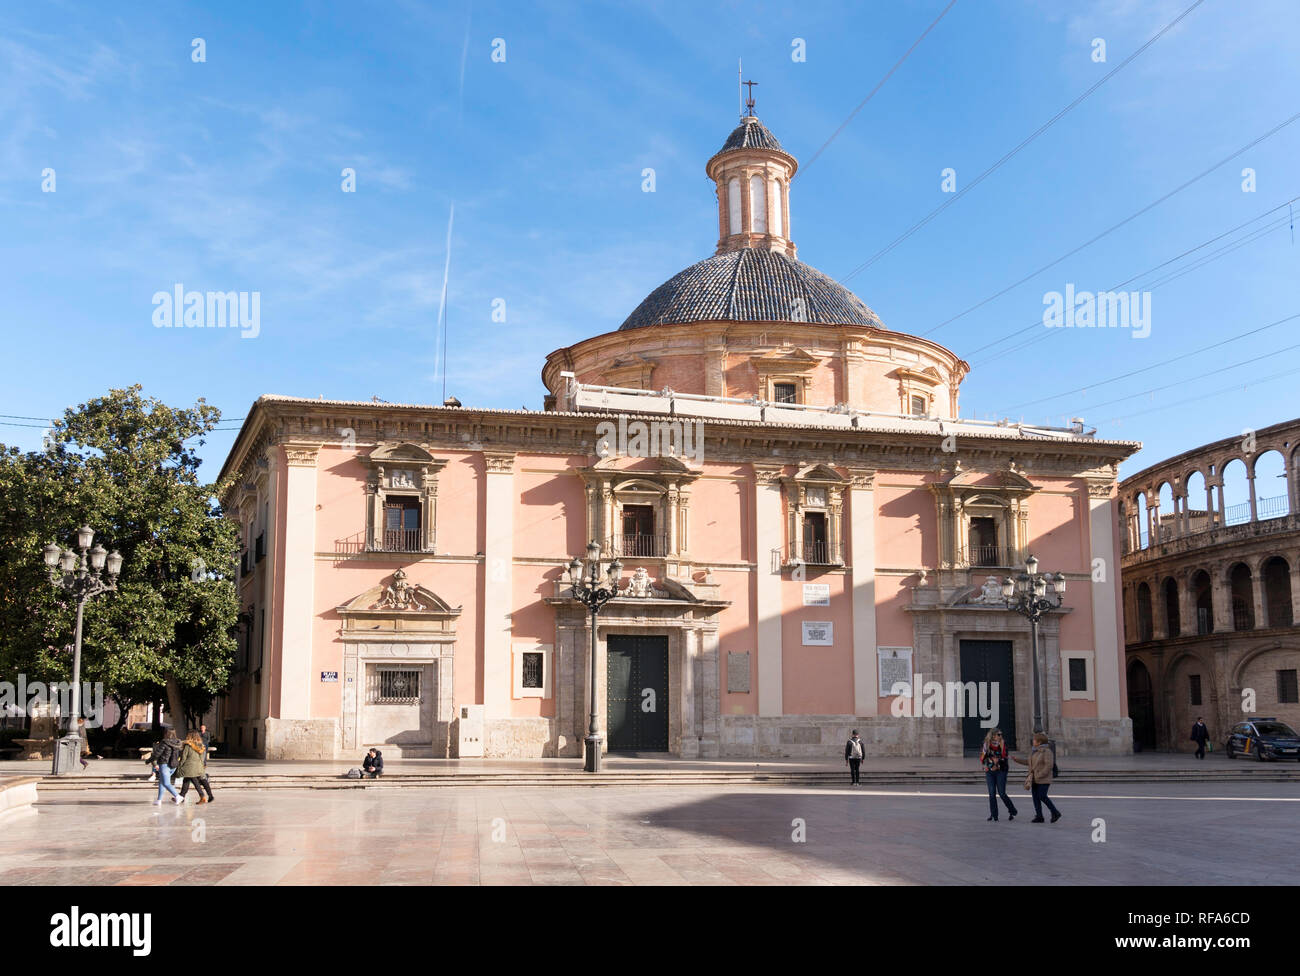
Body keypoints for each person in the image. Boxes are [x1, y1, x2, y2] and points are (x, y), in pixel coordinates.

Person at [1012, 732, 1060, 823]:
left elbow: (1049, 765)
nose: (1032, 741)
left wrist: (1040, 774)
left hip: (1043, 779)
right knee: (1035, 797)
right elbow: (1029, 762)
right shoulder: (1034, 751)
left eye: (1034, 740)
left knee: (1042, 796)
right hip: (1034, 778)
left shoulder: (1047, 751)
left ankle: (1055, 812)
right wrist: (1017, 760)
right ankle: (1039, 816)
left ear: (1039, 742)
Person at [980, 728, 1017, 822]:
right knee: (991, 794)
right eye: (998, 734)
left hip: (1001, 770)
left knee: (1002, 793)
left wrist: (998, 763)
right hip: (990, 771)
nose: (1000, 736)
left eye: (1001, 734)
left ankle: (1012, 810)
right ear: (993, 735)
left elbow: (1005, 757)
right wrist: (989, 765)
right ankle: (994, 815)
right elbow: (982, 758)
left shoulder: (1003, 744)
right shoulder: (986, 745)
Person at [176, 731, 212, 803]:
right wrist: (201, 766)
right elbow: (202, 758)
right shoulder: (201, 746)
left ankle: (202, 796)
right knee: (186, 781)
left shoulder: (188, 745)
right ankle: (181, 797)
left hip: (189, 766)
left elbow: (184, 757)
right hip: (198, 766)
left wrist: (180, 766)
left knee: (193, 781)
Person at [151, 730, 184, 805]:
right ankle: (159, 800)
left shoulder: (164, 742)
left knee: (166, 783)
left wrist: (149, 760)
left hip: (164, 764)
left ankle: (178, 796)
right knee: (162, 782)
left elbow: (157, 754)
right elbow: (181, 754)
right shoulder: (178, 743)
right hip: (174, 764)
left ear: (166, 734)